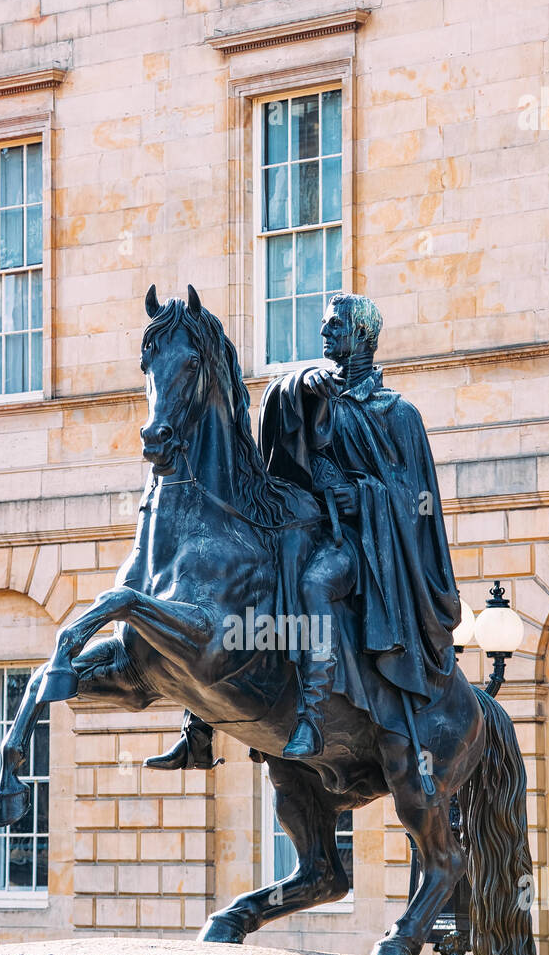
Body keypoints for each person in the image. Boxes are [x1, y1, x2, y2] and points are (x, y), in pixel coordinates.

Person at [146, 293, 459, 769]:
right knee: (231, 577)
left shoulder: (396, 413)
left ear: (362, 337)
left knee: (315, 582)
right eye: (325, 325)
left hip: (359, 545)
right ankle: (200, 724)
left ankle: (311, 714)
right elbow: (278, 435)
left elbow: (418, 502)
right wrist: (293, 384)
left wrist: (366, 497)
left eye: (335, 326)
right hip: (305, 524)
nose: (325, 333)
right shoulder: (311, 394)